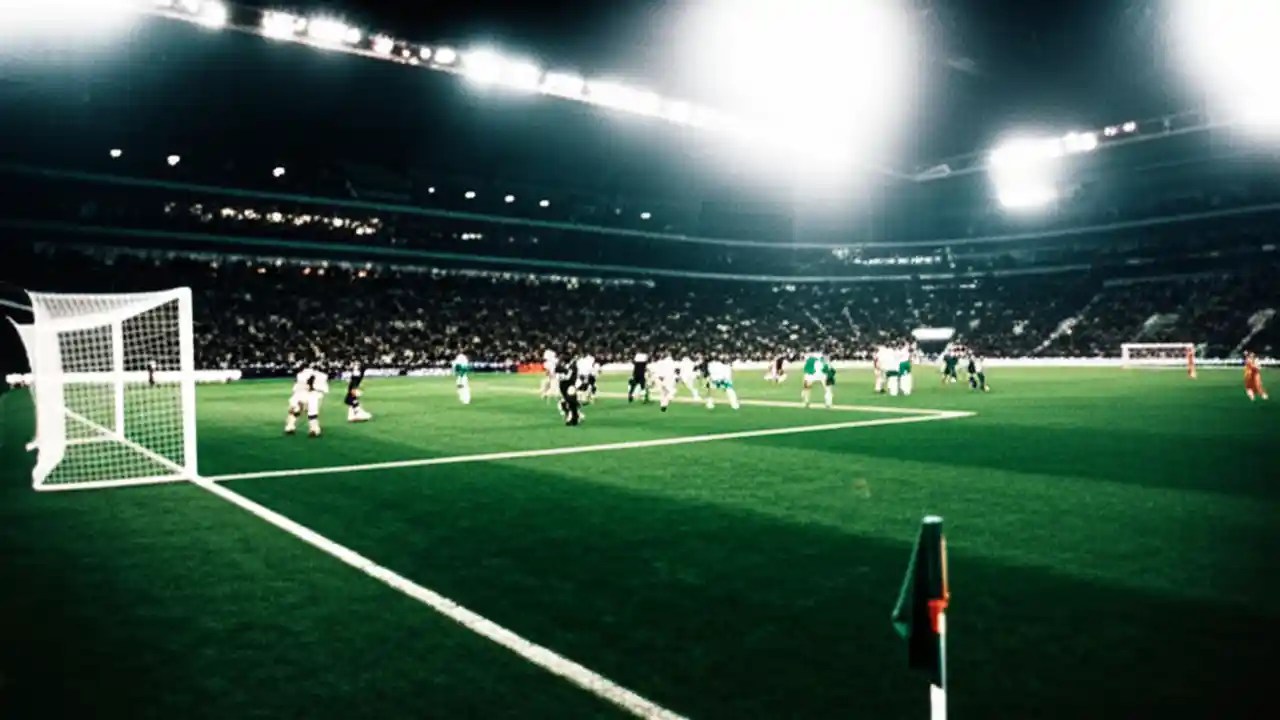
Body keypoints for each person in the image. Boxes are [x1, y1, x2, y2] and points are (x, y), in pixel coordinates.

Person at [286, 365, 329, 437]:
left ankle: (290, 427)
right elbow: (322, 388)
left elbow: (297, 384)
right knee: (312, 413)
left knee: (295, 410)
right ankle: (314, 429)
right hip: (313, 394)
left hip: (302, 393)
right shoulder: (322, 375)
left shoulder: (301, 374)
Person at [556, 353, 582, 425]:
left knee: (570, 401)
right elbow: (557, 369)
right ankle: (573, 416)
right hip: (563, 385)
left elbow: (572, 375)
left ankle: (574, 417)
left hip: (570, 385)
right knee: (564, 403)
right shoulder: (562, 366)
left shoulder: (573, 366)